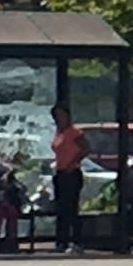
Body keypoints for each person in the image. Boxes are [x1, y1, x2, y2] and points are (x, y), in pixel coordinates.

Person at [46, 107, 87, 253]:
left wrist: (72, 163)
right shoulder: (58, 133)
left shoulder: (74, 132)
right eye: (56, 116)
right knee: (61, 208)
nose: (59, 119)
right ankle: (61, 242)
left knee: (71, 208)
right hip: (60, 172)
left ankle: (77, 241)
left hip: (72, 173)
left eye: (62, 115)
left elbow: (85, 149)